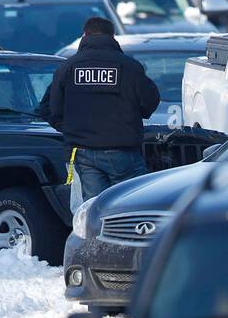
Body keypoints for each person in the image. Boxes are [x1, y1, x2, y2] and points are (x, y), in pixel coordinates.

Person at [39, 16, 160, 207]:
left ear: (84, 35)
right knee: (133, 207)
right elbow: (150, 101)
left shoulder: (68, 67)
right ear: (112, 37)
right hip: (123, 152)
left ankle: (96, 237)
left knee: (94, 210)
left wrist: (72, 130)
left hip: (83, 152)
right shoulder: (129, 67)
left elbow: (49, 109)